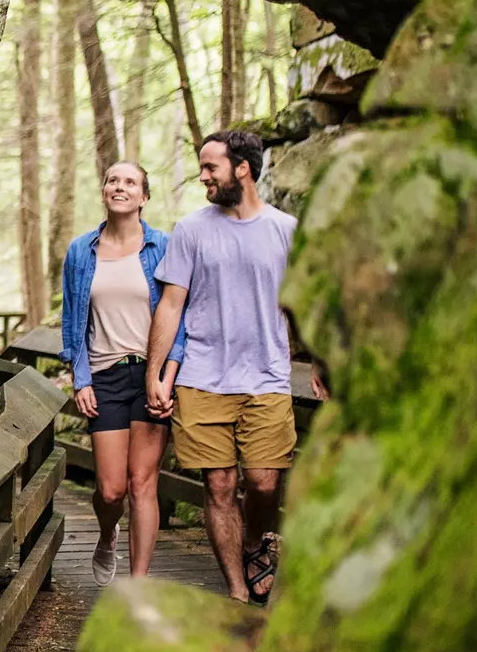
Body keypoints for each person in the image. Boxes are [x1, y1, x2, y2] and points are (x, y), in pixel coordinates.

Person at [145, 130, 324, 605]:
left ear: (242, 168)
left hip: (267, 377)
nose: (203, 176)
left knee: (265, 484)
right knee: (219, 485)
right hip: (203, 378)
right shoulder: (191, 230)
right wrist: (155, 370)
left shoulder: (285, 230)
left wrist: (322, 359)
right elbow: (170, 305)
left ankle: (252, 541)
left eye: (211, 167)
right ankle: (238, 590)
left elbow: (304, 304)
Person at [60, 161, 185, 587]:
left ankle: (138, 589)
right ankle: (108, 531)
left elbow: (179, 317)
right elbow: (72, 319)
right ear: (104, 191)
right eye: (113, 180)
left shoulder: (164, 246)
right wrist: (81, 378)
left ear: (143, 197)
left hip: (151, 378)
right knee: (111, 490)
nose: (120, 186)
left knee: (142, 484)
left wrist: (168, 375)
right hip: (105, 376)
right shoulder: (81, 250)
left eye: (130, 182)